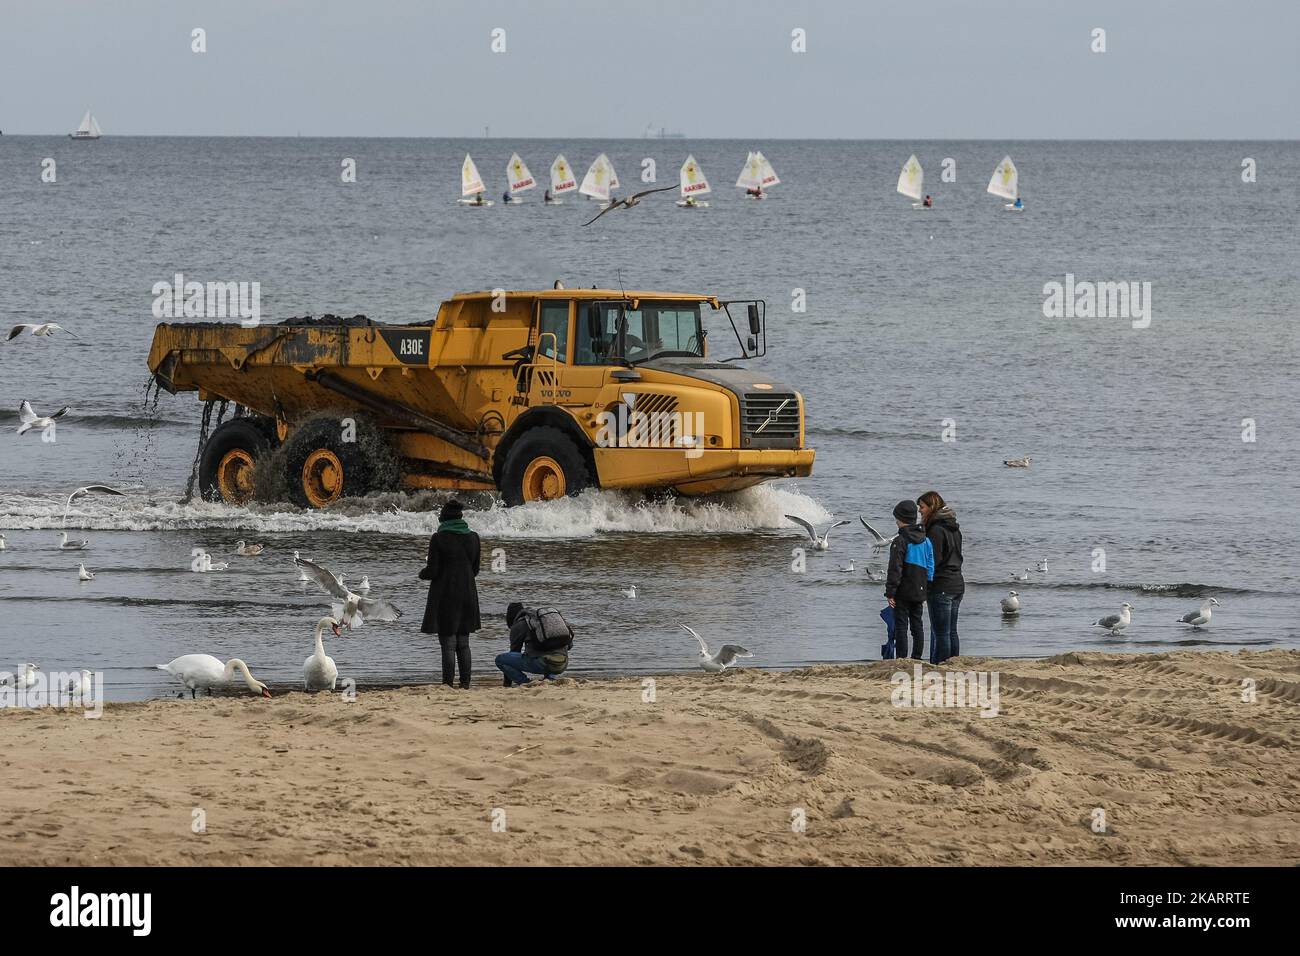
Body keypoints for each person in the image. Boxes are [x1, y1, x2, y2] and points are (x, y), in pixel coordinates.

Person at [419, 500, 481, 688]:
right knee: (463, 642)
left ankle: (447, 684)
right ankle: (466, 683)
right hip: (468, 593)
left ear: (444, 518)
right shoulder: (474, 537)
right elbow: (475, 569)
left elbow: (433, 570)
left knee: (448, 642)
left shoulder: (438, 538)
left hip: (446, 595)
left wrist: (422, 573)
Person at [884, 499, 934, 660]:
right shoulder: (926, 540)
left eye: (896, 518)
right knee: (917, 625)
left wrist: (890, 592)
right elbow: (930, 564)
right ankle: (917, 657)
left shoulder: (900, 541)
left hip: (903, 591)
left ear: (900, 519)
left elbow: (895, 569)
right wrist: (927, 584)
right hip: (920, 589)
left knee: (901, 626)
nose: (896, 522)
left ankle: (902, 658)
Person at [918, 491, 964, 664]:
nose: (920, 512)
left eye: (922, 507)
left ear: (932, 507)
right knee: (951, 630)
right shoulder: (954, 528)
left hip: (942, 585)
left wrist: (922, 585)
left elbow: (933, 561)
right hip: (957, 582)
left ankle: (941, 665)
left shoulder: (935, 530)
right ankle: (953, 663)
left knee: (941, 632)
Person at [496, 603, 574, 686]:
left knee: (500, 660)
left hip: (544, 663)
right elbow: (569, 645)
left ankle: (526, 683)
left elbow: (514, 651)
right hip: (562, 663)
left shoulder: (519, 624)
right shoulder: (542, 621)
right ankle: (550, 679)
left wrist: (507, 684)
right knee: (550, 653)